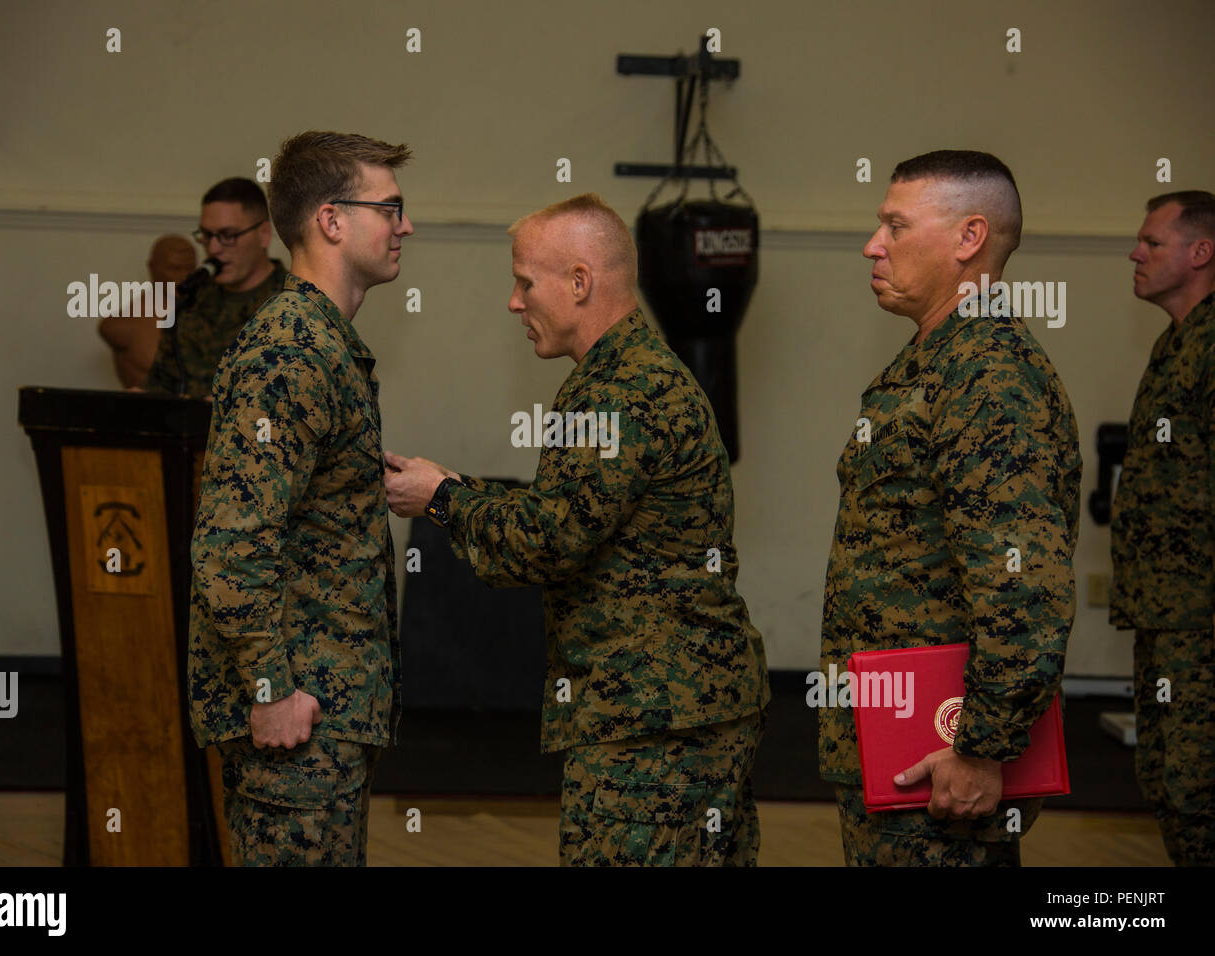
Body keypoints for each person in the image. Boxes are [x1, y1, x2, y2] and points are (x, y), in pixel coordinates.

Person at [384, 193, 770, 866]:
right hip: (683, 706)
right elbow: (568, 513)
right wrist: (453, 487)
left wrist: (441, 500)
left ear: (580, 282)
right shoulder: (634, 373)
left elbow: (545, 543)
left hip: (652, 719)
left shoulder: (616, 393)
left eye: (525, 283)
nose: (514, 302)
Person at [820, 150, 1081, 866]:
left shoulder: (990, 377)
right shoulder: (937, 360)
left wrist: (982, 748)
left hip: (942, 758)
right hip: (898, 742)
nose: (873, 245)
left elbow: (1022, 583)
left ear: (970, 238)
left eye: (896, 226)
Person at [187, 132, 413, 866]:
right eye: (390, 208)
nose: (405, 226)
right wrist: (271, 689)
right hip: (299, 712)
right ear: (331, 220)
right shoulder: (289, 352)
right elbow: (229, 547)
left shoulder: (323, 342)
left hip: (328, 706)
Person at [1110, 190, 1215, 866]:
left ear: (1201, 252)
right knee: (1167, 776)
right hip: (1166, 610)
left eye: (1152, 243)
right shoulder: (1175, 341)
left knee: (1197, 785)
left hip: (1200, 619)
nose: (1135, 253)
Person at [143, 178, 287, 398]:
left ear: (264, 234)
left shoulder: (295, 305)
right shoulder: (190, 301)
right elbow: (162, 385)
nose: (213, 248)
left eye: (228, 236)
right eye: (207, 235)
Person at [98, 234, 196, 387]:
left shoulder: (213, 318)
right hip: (148, 402)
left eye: (190, 269)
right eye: (174, 268)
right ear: (152, 267)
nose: (184, 277)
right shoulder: (121, 325)